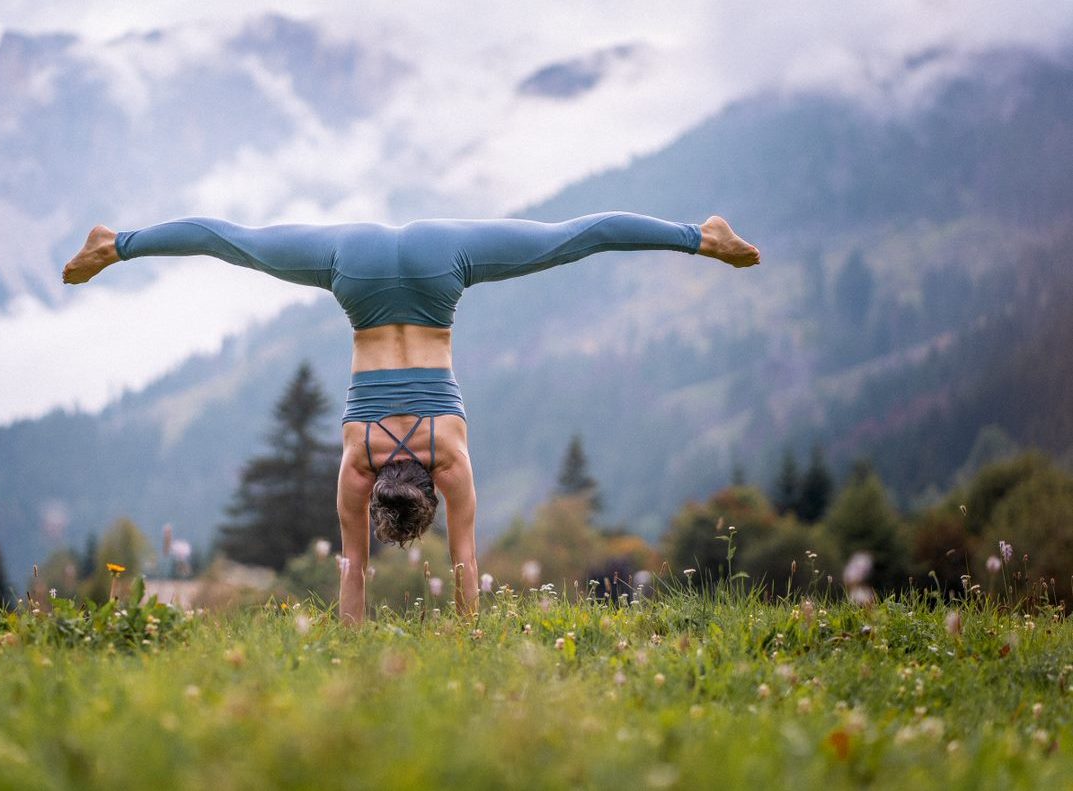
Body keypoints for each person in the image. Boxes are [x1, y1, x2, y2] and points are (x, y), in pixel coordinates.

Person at [62, 212, 759, 623]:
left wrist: (470, 639)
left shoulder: (449, 457)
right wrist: (352, 645)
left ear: (427, 492)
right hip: (354, 265)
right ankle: (115, 243)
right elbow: (352, 571)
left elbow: (464, 562)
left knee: (568, 237)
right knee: (236, 242)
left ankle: (701, 237)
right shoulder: (356, 459)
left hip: (438, 263)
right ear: (383, 494)